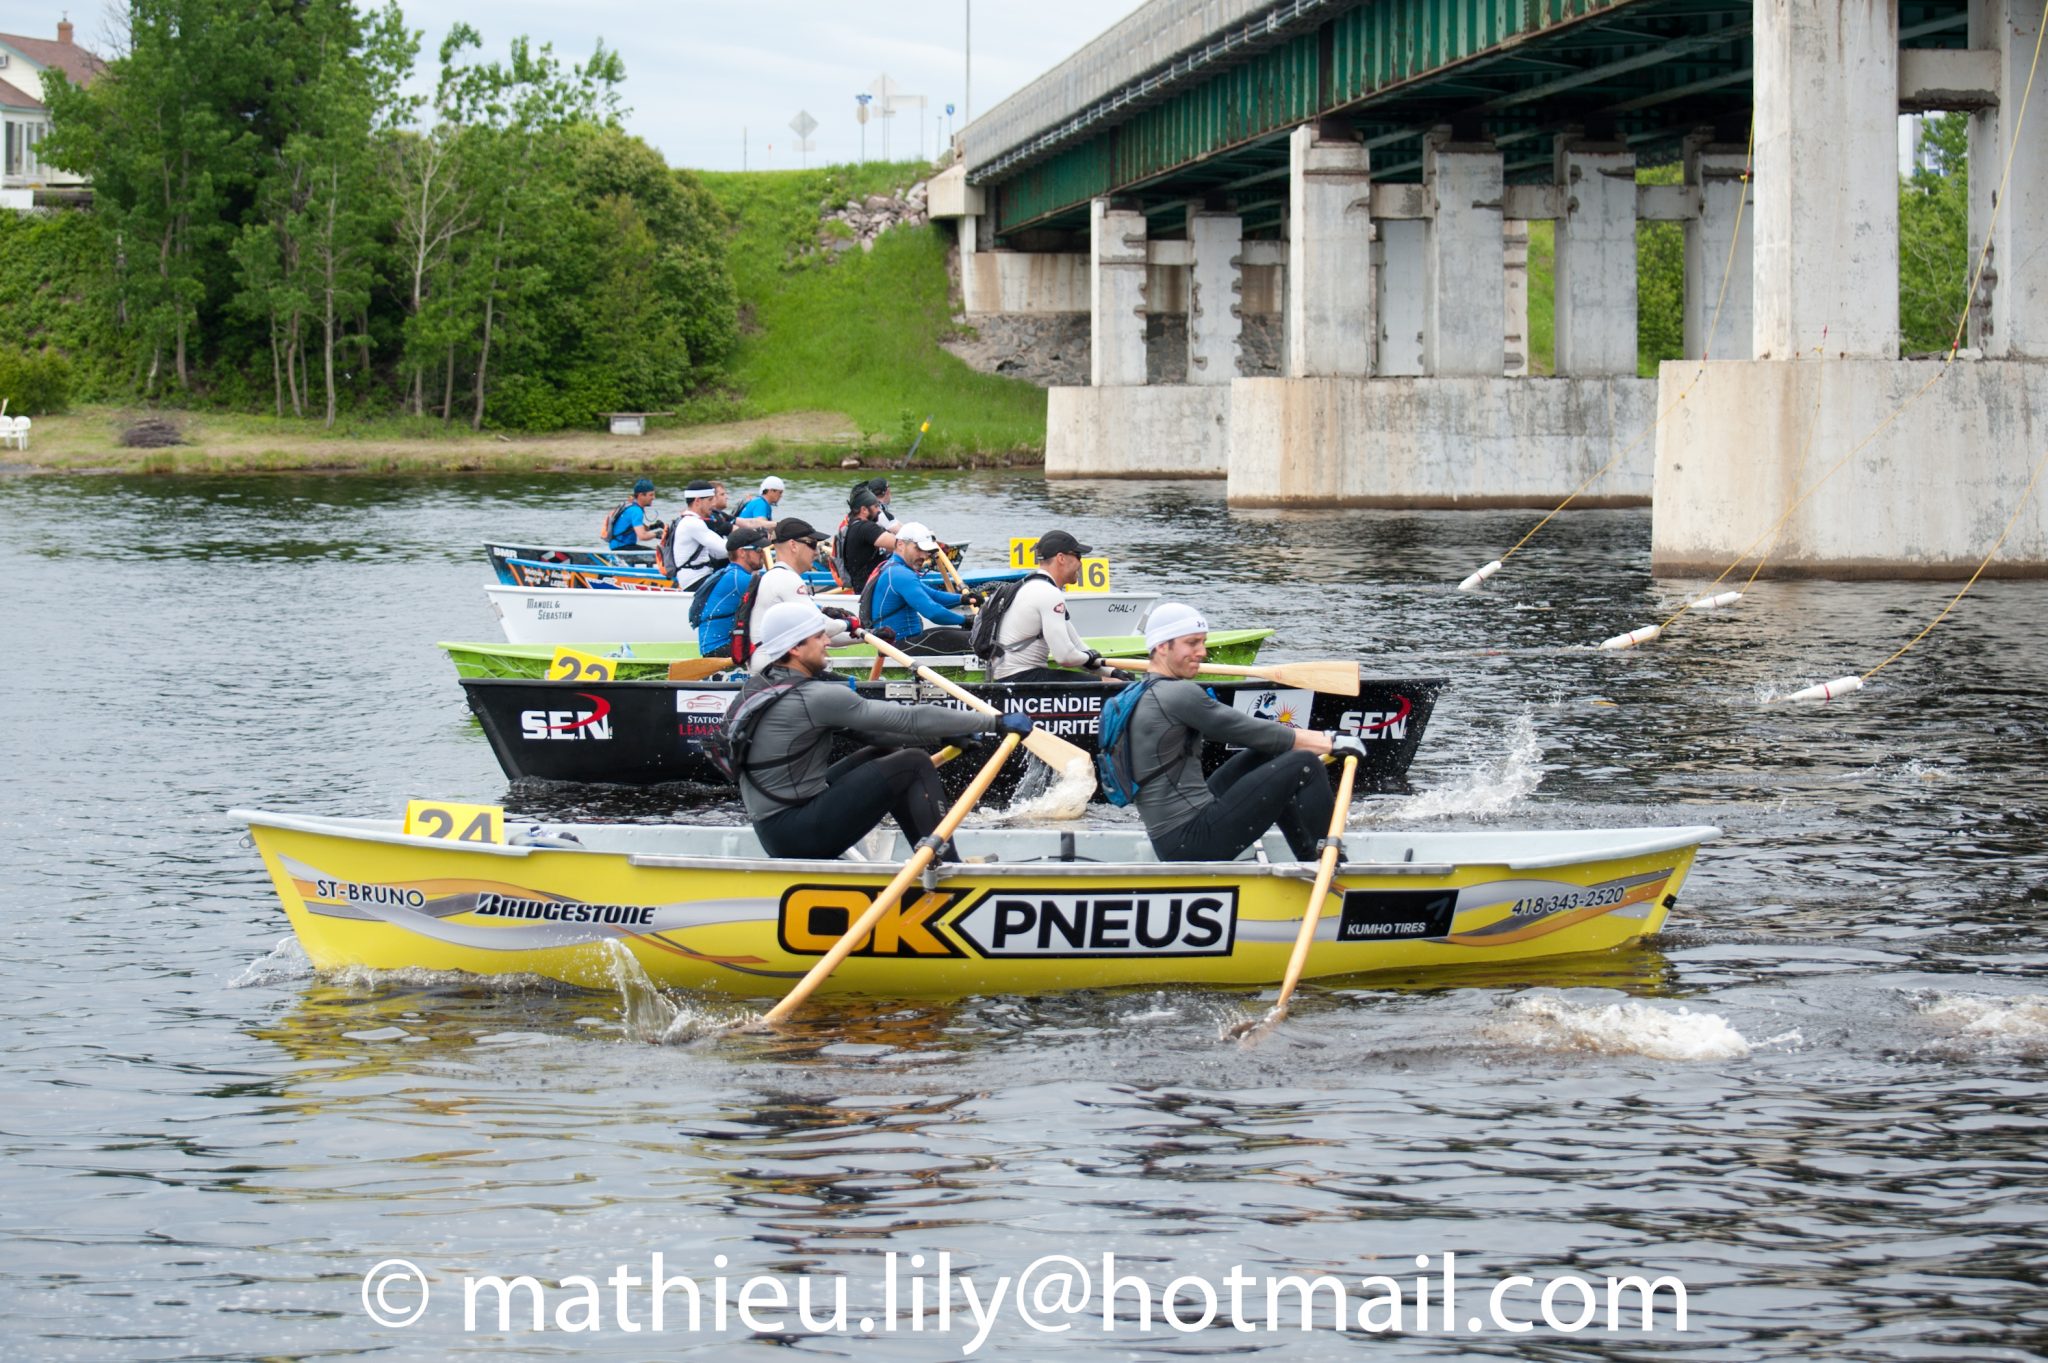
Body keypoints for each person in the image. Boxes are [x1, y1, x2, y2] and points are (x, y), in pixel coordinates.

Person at [729, 601, 1034, 860]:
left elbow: (876, 734)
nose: (827, 641)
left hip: (777, 829)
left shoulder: (766, 682)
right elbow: (908, 719)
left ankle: (928, 856)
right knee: (913, 764)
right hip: (797, 835)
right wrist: (994, 722)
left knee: (885, 752)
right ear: (795, 648)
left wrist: (943, 735)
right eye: (818, 636)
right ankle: (947, 865)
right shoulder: (816, 697)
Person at [1117, 603, 1368, 863]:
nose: (1202, 652)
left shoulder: (1138, 693)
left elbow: (1260, 739)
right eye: (1191, 643)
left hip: (1171, 836)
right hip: (1192, 841)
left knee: (1270, 755)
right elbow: (1246, 730)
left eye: (1202, 642)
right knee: (1304, 764)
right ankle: (1330, 862)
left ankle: (1308, 855)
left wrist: (1320, 740)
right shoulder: (1177, 695)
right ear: (1161, 647)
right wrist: (1330, 741)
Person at [986, 529, 1126, 683]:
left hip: (1014, 676)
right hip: (1023, 678)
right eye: (1078, 556)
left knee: (1116, 681)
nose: (1080, 563)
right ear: (1061, 558)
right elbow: (1065, 656)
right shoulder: (1048, 593)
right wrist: (1091, 658)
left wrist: (1112, 671)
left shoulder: (1033, 585)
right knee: (1116, 688)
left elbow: (1077, 646)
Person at [746, 518, 856, 670]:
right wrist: (850, 623)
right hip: (773, 667)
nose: (817, 552)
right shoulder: (785, 578)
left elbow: (822, 636)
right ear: (793, 545)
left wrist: (867, 635)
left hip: (771, 663)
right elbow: (822, 627)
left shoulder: (779, 576)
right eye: (812, 544)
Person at [863, 521, 977, 655]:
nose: (924, 556)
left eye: (926, 551)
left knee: (974, 636)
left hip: (904, 643)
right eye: (919, 549)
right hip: (901, 648)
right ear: (900, 544)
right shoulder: (900, 574)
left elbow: (933, 596)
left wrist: (963, 599)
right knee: (978, 640)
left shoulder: (894, 568)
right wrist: (965, 620)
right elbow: (932, 612)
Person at [695, 526, 772, 657]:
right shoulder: (738, 579)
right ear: (742, 552)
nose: (762, 554)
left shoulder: (732, 573)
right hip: (718, 650)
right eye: (758, 550)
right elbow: (777, 597)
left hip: (719, 645)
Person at [658, 482, 730, 589]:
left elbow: (717, 553)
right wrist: (748, 545)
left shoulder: (686, 520)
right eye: (710, 500)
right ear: (697, 501)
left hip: (699, 577)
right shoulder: (692, 523)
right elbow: (725, 549)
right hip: (696, 581)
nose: (713, 504)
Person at [835, 485, 896, 590]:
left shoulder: (852, 526)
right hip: (870, 591)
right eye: (876, 507)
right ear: (864, 510)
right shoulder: (865, 528)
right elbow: (899, 543)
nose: (879, 511)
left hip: (862, 587)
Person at [605, 478, 663, 550]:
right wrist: (657, 534)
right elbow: (642, 536)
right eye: (651, 495)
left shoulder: (632, 505)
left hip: (618, 546)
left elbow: (640, 528)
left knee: (657, 551)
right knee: (658, 554)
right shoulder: (636, 511)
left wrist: (654, 527)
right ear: (641, 495)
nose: (654, 497)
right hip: (621, 548)